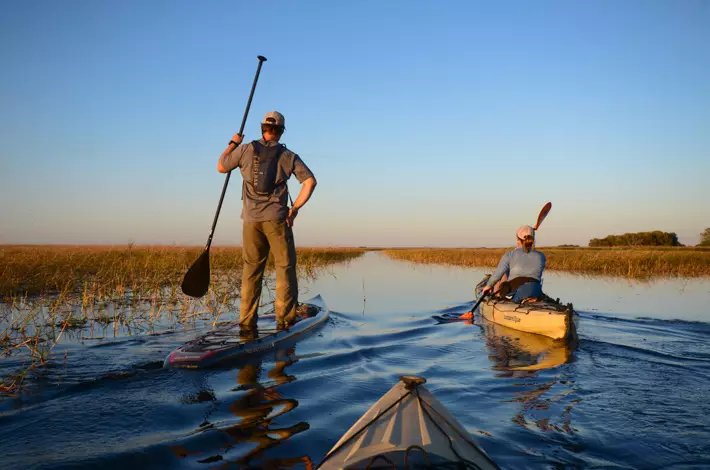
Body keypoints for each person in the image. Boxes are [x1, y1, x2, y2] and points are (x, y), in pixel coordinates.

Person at [217, 111, 317, 331]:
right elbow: (310, 182)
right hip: (277, 220)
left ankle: (246, 323)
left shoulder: (244, 149)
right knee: (284, 268)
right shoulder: (288, 155)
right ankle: (284, 320)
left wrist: (233, 143)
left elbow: (222, 166)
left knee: (251, 271)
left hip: (251, 221)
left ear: (262, 129)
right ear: (280, 131)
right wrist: (294, 209)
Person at [481, 225, 546, 303]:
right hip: (535, 289)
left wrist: (488, 286)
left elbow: (498, 274)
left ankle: (514, 299)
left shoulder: (510, 254)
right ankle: (530, 299)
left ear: (518, 240)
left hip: (517, 290)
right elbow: (529, 254)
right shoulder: (541, 256)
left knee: (503, 285)